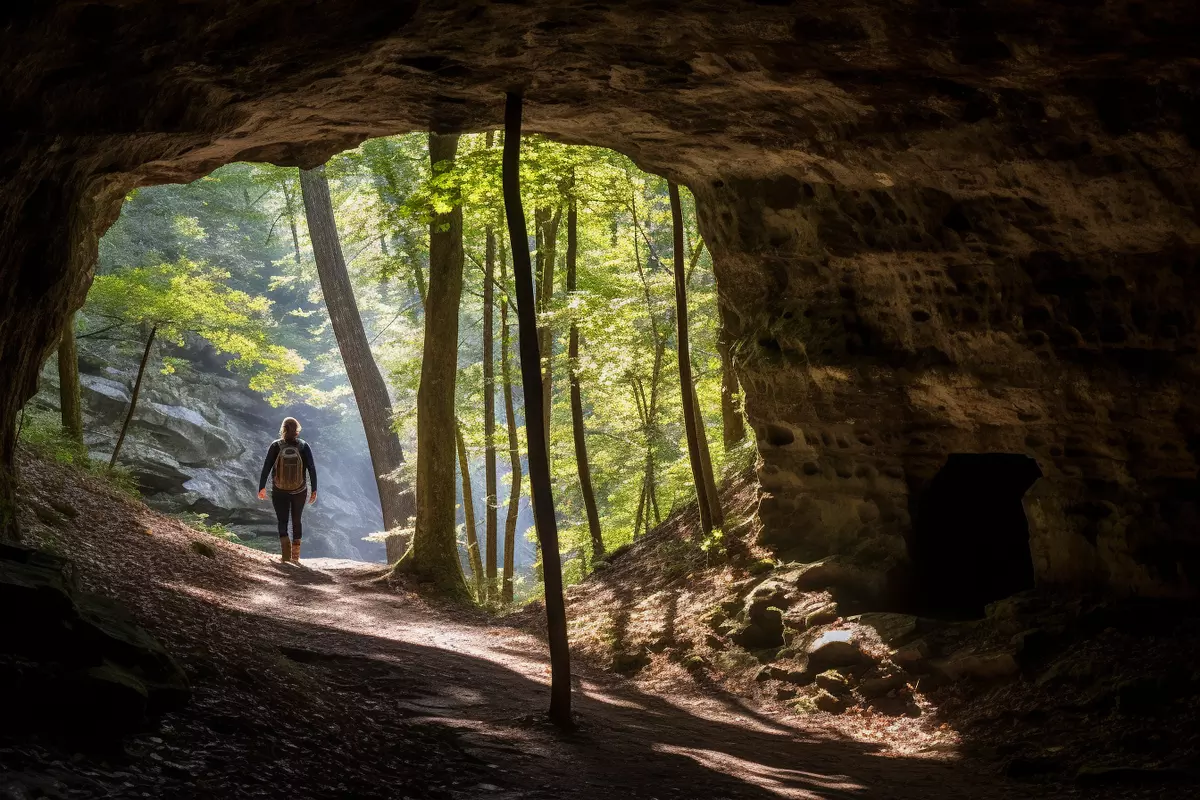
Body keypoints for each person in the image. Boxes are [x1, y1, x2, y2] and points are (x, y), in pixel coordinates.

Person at [258, 417, 317, 563]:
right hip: (300, 490)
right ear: (297, 430)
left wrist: (262, 487)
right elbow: (311, 468)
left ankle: (285, 556)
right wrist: (314, 489)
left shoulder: (275, 446)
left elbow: (267, 466)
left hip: (279, 490)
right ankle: (296, 557)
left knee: (282, 520)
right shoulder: (303, 446)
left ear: (283, 429)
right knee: (297, 520)